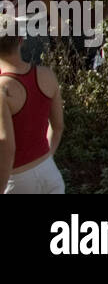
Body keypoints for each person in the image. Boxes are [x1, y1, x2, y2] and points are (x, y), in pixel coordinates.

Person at [0, 17, 64, 194]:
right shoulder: (47, 75)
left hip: (16, 179)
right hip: (49, 171)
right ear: (21, 40)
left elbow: (6, 145)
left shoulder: (2, 89)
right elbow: (58, 127)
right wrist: (45, 159)